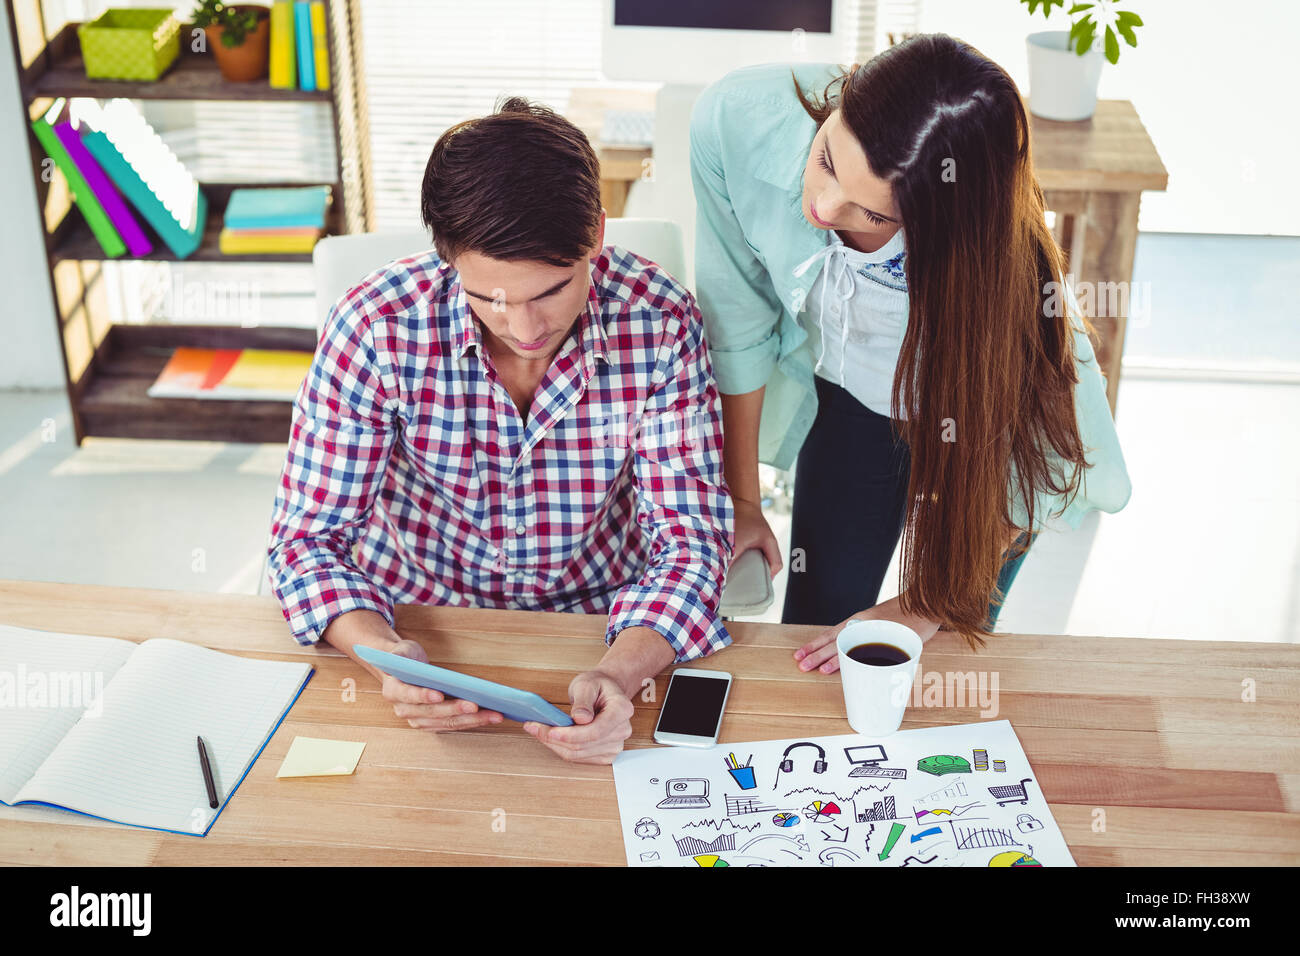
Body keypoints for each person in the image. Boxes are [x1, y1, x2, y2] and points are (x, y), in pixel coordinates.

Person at [267, 97, 734, 764]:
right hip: (422, 621)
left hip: (597, 628)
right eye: (489, 297)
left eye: (550, 291)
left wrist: (620, 673)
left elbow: (691, 543)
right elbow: (307, 541)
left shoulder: (659, 321)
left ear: (597, 235)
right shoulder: (375, 326)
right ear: (447, 258)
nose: (525, 328)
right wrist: (384, 653)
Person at [688, 35, 1132, 672]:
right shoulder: (737, 119)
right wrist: (742, 501)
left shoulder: (1006, 284)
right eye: (827, 162)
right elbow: (737, 315)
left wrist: (926, 604)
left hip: (981, 434)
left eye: (869, 213)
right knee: (819, 635)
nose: (821, 209)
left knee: (941, 656)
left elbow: (1031, 469)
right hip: (847, 399)